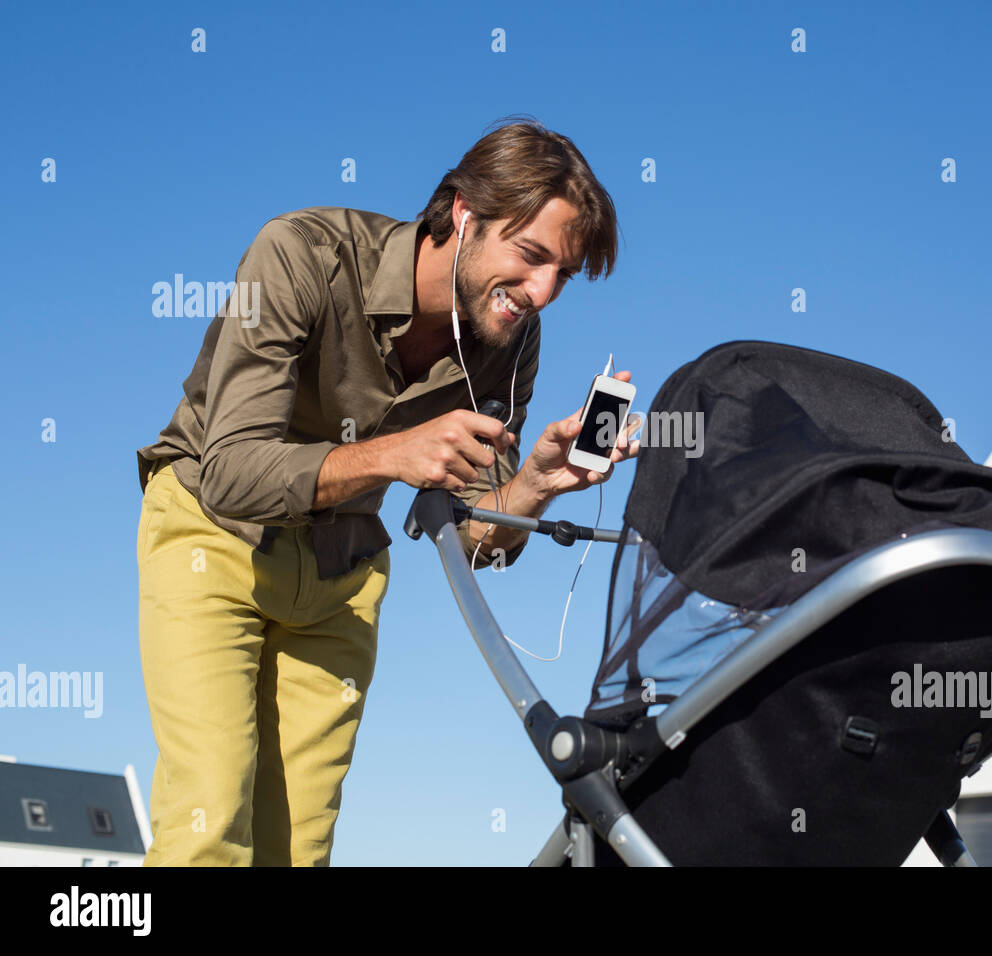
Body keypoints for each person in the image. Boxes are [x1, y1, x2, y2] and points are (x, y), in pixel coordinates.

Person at [135, 117, 638, 865]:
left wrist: (535, 485)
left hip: (338, 575)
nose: (541, 293)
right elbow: (231, 470)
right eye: (531, 257)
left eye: (561, 275)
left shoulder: (509, 343)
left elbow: (473, 539)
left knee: (299, 852)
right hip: (215, 540)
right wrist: (393, 453)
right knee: (210, 827)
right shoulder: (300, 256)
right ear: (464, 213)